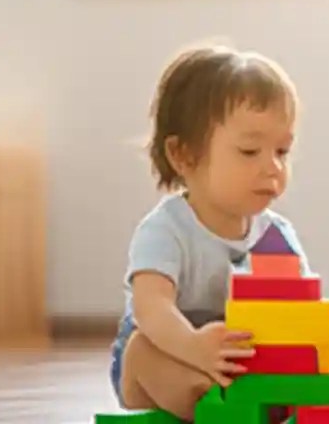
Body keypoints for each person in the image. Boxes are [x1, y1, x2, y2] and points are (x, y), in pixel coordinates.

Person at [109, 43, 310, 420]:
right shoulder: (166, 230)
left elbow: (297, 310)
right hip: (167, 347)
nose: (273, 167)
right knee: (151, 355)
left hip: (236, 357)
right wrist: (193, 345)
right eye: (250, 151)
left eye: (282, 152)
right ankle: (212, 406)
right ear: (183, 156)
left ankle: (242, 404)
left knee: (300, 385)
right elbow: (151, 307)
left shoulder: (277, 236)